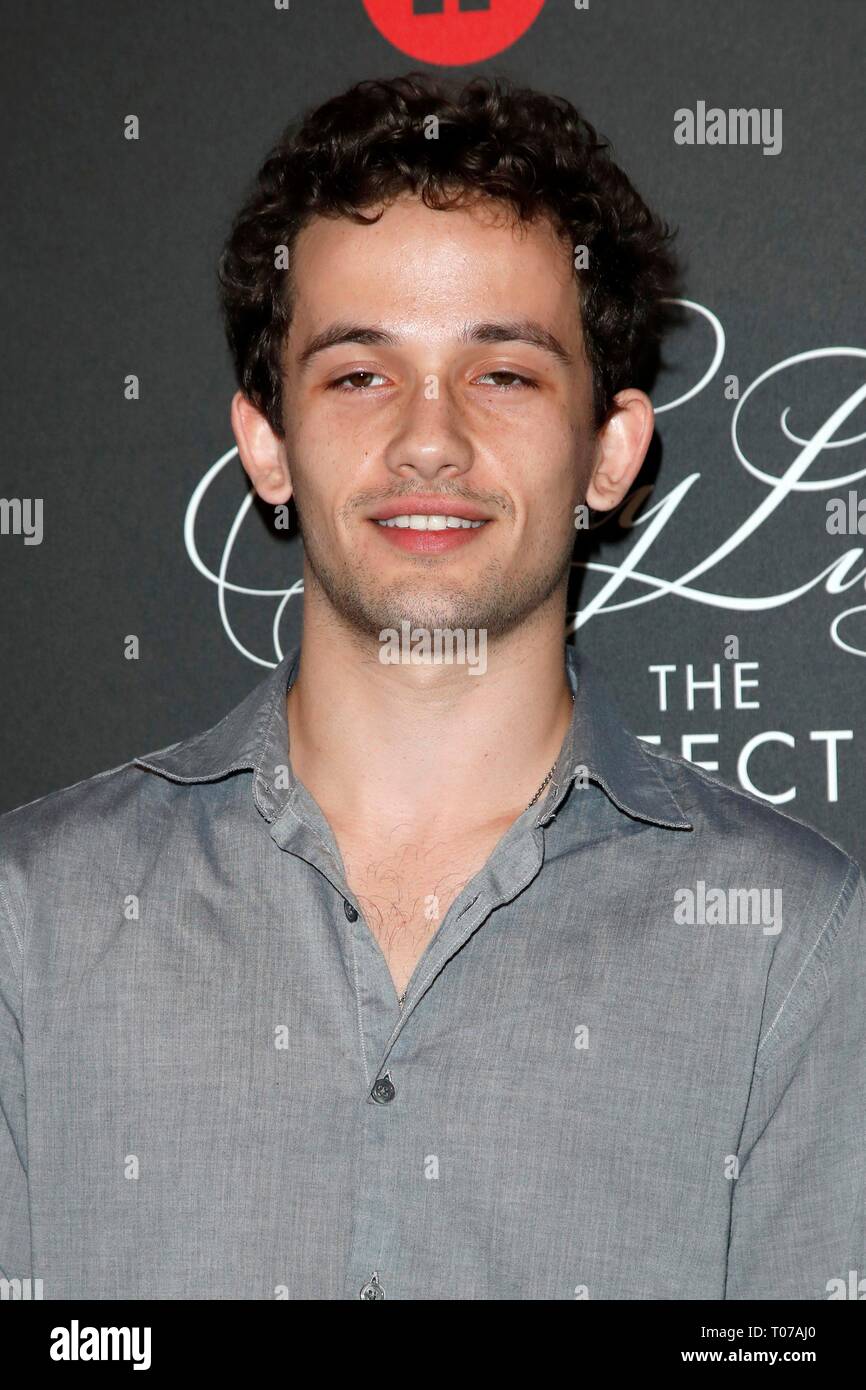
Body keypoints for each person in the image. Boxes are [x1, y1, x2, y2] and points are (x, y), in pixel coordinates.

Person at [1, 73, 863, 1301]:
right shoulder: (30, 926)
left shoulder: (793, 945)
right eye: (359, 375)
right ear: (265, 442)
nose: (427, 440)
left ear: (608, 451)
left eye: (502, 374)